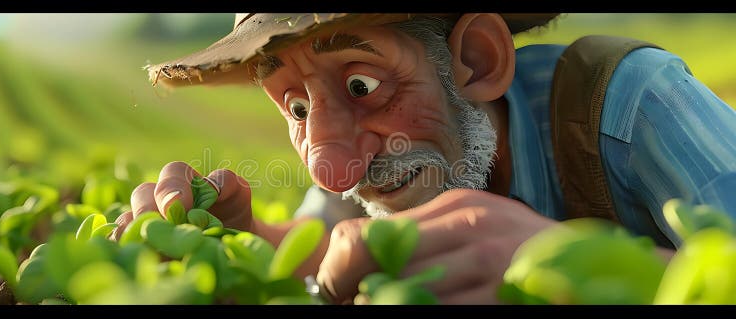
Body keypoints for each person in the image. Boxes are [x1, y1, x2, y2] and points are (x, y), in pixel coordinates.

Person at [113, 13, 736, 304]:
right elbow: (318, 247)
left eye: (363, 84)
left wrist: (576, 264)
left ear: (479, 60)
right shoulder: (364, 149)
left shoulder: (635, 103)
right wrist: (234, 240)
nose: (334, 169)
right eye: (297, 108)